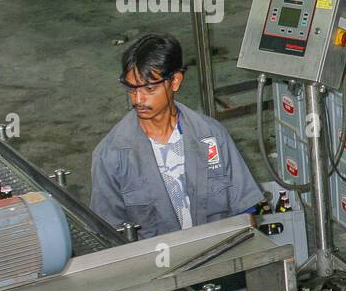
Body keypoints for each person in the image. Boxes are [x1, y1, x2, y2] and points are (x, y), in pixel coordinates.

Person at [91, 32, 263, 241]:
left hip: (217, 258)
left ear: (175, 81)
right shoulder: (111, 155)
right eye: (131, 89)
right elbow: (107, 236)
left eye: (149, 88)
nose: (137, 99)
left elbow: (245, 214)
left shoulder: (211, 137)